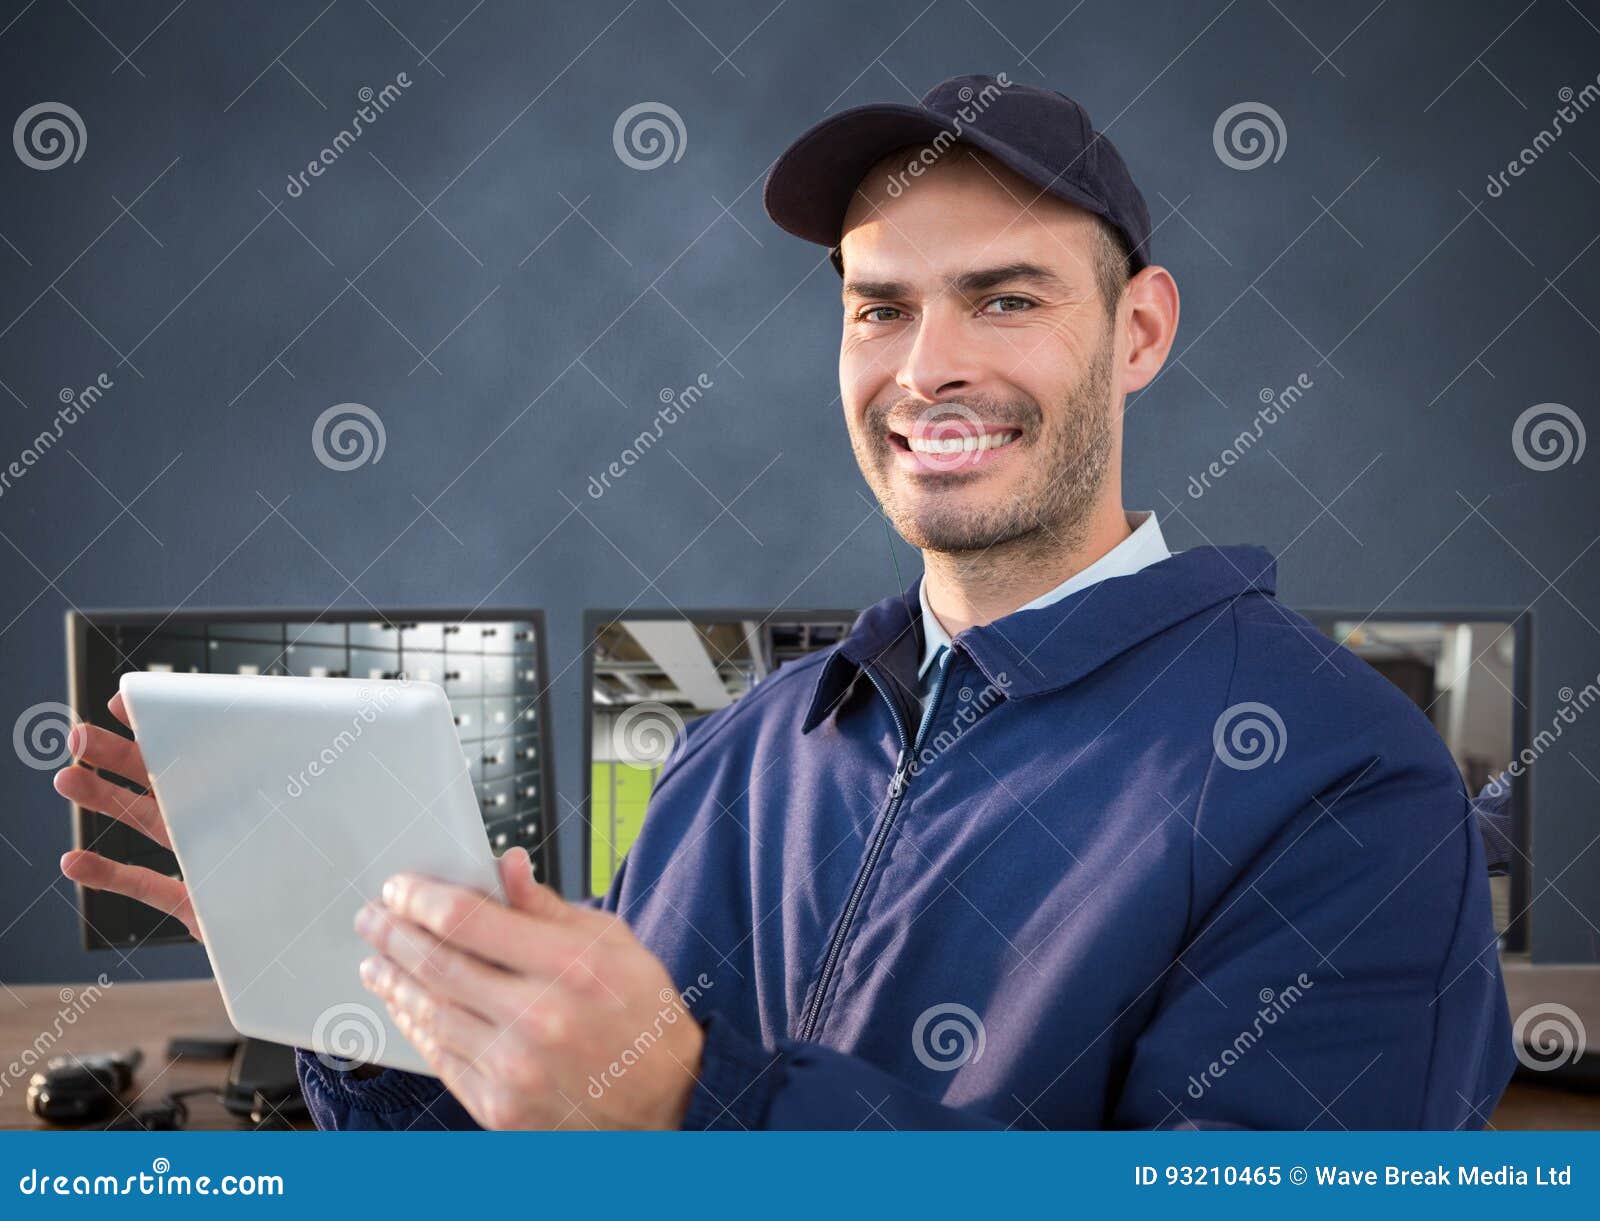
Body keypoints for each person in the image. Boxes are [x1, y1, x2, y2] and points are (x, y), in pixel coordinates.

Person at [54, 74, 1516, 1130]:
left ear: (1137, 332)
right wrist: (367, 1002)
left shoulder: (1344, 790)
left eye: (1004, 298)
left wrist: (691, 1102)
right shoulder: (734, 754)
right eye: (879, 305)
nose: (927, 364)